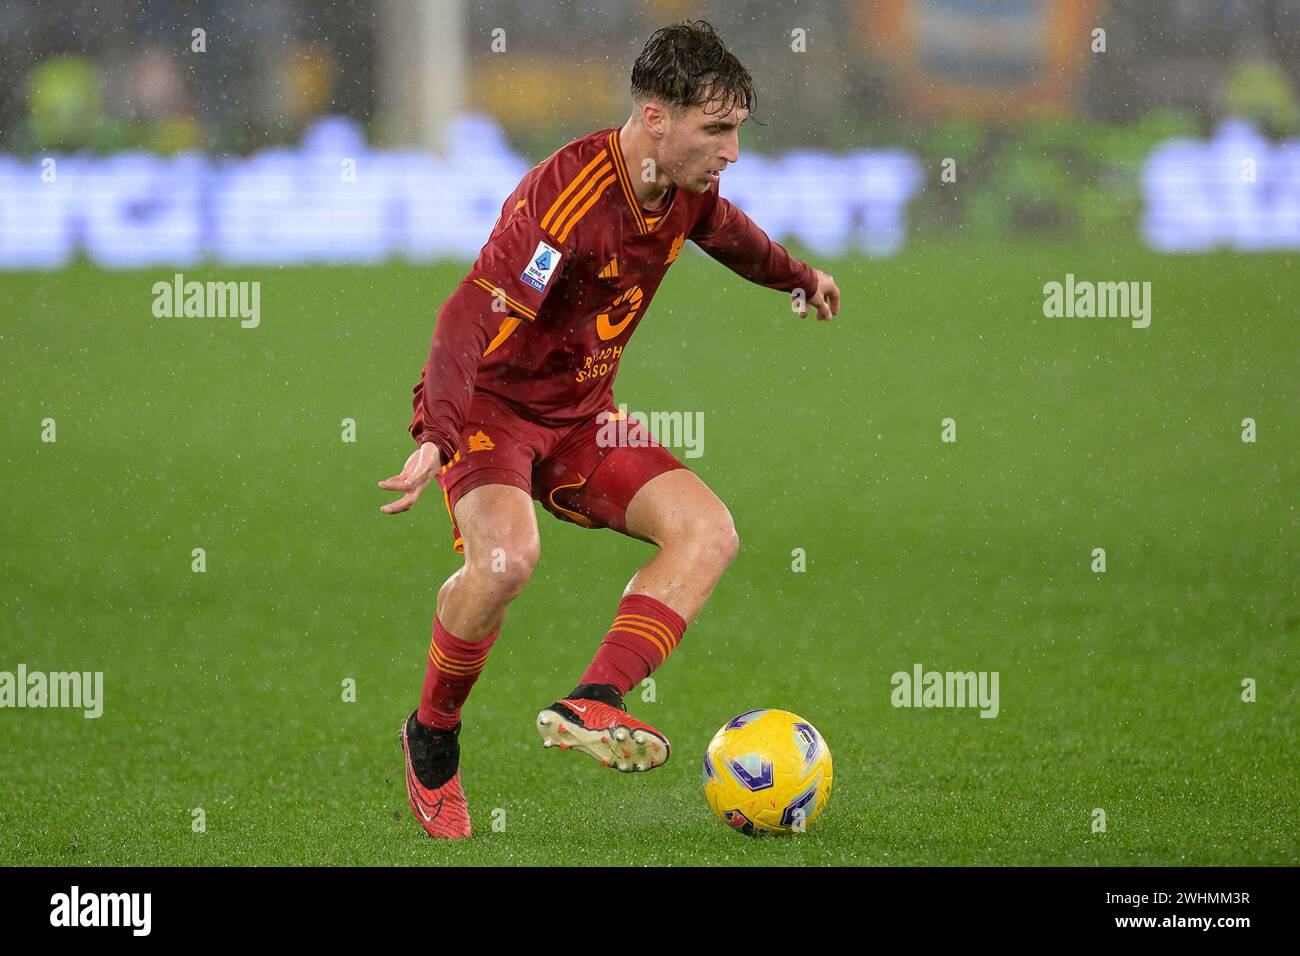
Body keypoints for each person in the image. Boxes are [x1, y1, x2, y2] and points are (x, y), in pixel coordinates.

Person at [378, 19, 841, 839]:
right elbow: (469, 310)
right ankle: (432, 737)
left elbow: (726, 232)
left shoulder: (683, 188)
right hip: (491, 413)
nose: (732, 149)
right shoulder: (569, 202)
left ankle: (597, 699)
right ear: (655, 118)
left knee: (708, 532)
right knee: (506, 560)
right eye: (718, 129)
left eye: (735, 129)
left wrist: (798, 278)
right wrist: (436, 431)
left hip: (586, 420)